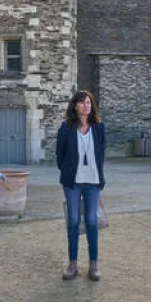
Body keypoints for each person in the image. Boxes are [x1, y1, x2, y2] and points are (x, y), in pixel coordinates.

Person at [56, 89, 106, 281]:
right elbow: (59, 156)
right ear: (75, 106)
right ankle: (73, 264)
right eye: (82, 102)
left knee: (93, 221)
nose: (86, 105)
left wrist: (100, 181)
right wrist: (69, 171)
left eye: (89, 102)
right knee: (74, 221)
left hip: (93, 182)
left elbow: (101, 155)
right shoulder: (66, 128)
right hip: (72, 183)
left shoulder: (99, 128)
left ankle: (94, 265)